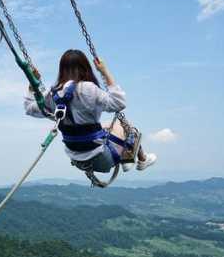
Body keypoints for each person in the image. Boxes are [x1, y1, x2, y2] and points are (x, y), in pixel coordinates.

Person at [24, 49, 156, 173]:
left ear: (62, 70)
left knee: (104, 125)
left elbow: (29, 109)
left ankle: (126, 159)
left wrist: (32, 87)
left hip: (78, 161)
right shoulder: (88, 89)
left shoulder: (52, 94)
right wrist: (104, 71)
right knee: (127, 127)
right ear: (84, 68)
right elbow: (119, 103)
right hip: (102, 160)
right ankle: (141, 160)